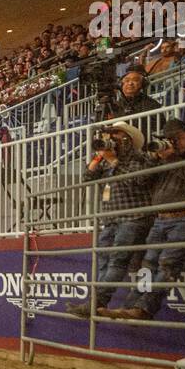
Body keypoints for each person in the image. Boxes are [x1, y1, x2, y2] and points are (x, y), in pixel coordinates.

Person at [104, 119, 185, 321]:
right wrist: (158, 159)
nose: (172, 142)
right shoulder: (162, 158)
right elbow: (144, 182)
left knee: (168, 263)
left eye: (177, 137)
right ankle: (131, 306)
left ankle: (144, 309)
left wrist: (171, 158)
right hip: (161, 217)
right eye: (169, 138)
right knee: (148, 265)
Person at [68, 121, 154, 318]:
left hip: (134, 217)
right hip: (111, 219)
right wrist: (99, 156)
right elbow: (87, 178)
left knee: (116, 261)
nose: (112, 138)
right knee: (103, 261)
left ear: (128, 139)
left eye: (117, 134)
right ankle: (96, 303)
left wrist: (114, 162)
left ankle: (95, 303)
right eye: (111, 134)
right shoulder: (106, 160)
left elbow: (138, 181)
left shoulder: (139, 158)